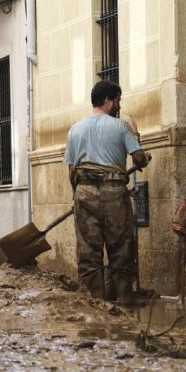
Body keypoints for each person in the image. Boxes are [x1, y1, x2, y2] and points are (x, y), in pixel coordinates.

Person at [64, 80, 149, 305]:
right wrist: (139, 143)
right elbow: (139, 159)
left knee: (88, 251)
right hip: (114, 192)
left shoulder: (75, 130)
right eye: (118, 100)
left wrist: (78, 196)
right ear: (109, 101)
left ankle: (97, 306)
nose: (119, 105)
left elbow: (71, 171)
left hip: (84, 191)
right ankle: (125, 303)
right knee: (121, 248)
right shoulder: (121, 126)